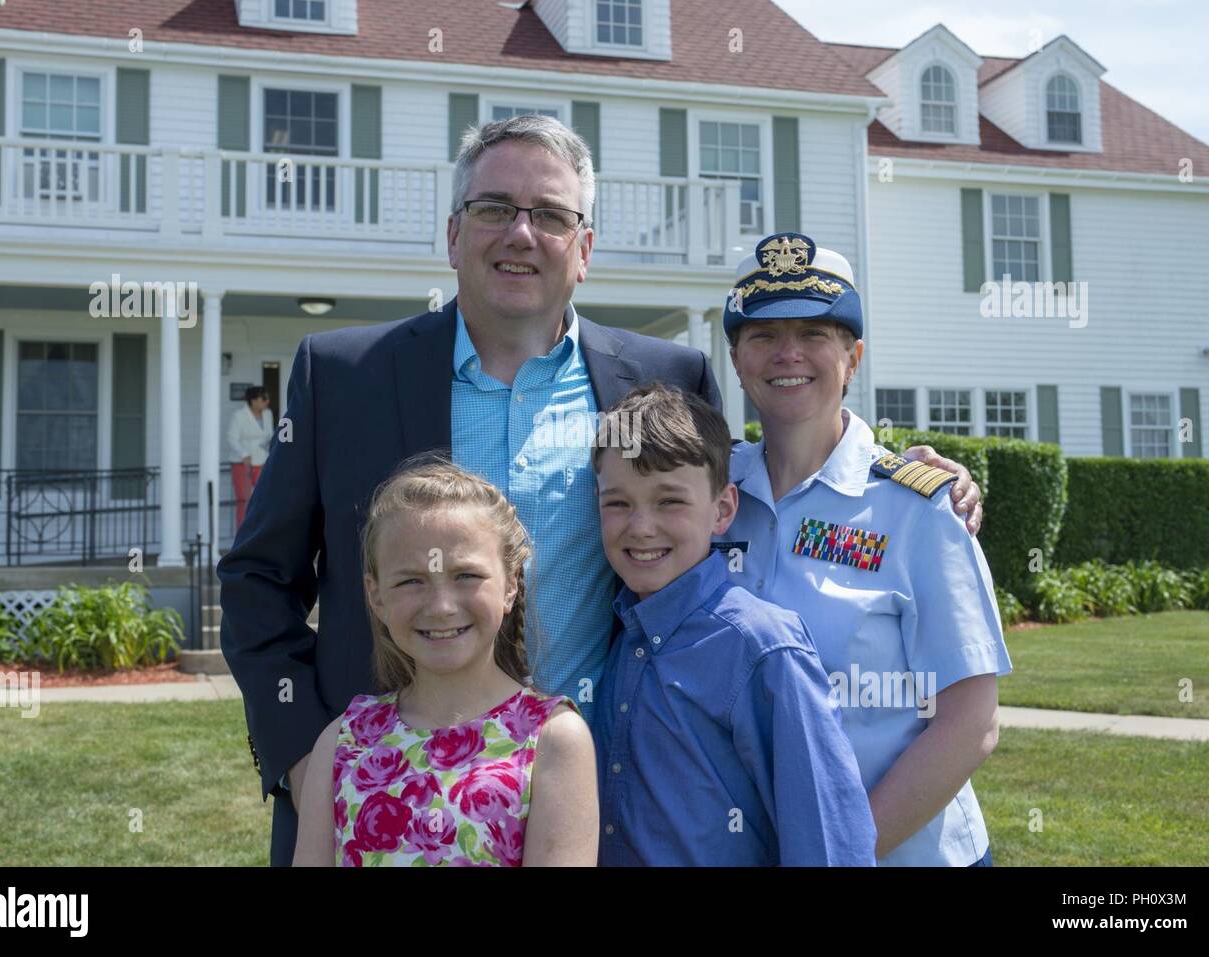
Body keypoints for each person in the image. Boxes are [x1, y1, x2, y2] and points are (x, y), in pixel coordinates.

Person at [217, 113, 981, 867]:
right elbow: (257, 579)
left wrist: (889, 469)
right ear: (454, 234)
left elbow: (741, 472)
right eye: (494, 209)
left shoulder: (663, 379)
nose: (521, 233)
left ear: (584, 250)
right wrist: (305, 758)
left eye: (550, 214)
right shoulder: (343, 377)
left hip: (608, 810)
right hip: (393, 805)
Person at [716, 232, 1013, 866]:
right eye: (763, 335)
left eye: (815, 333)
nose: (787, 353)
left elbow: (970, 722)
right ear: (737, 360)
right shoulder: (706, 502)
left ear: (853, 357)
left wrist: (838, 854)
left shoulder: (920, 509)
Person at [590, 384, 876, 865]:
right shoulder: (619, 629)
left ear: (722, 510)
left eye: (669, 502)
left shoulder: (763, 648)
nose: (640, 527)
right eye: (618, 503)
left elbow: (829, 840)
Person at [292, 457, 597, 866]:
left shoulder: (554, 741)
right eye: (411, 581)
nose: (441, 606)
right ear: (376, 596)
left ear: (510, 584)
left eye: (466, 576)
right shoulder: (341, 745)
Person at [225, 386, 273, 528]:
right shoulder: (239, 416)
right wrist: (244, 454)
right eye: (263, 399)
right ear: (253, 401)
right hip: (243, 463)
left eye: (267, 399)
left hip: (262, 461)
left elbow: (269, 435)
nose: (267, 402)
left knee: (262, 498)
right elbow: (231, 437)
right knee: (244, 500)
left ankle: (258, 532)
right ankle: (242, 534)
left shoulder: (268, 414)